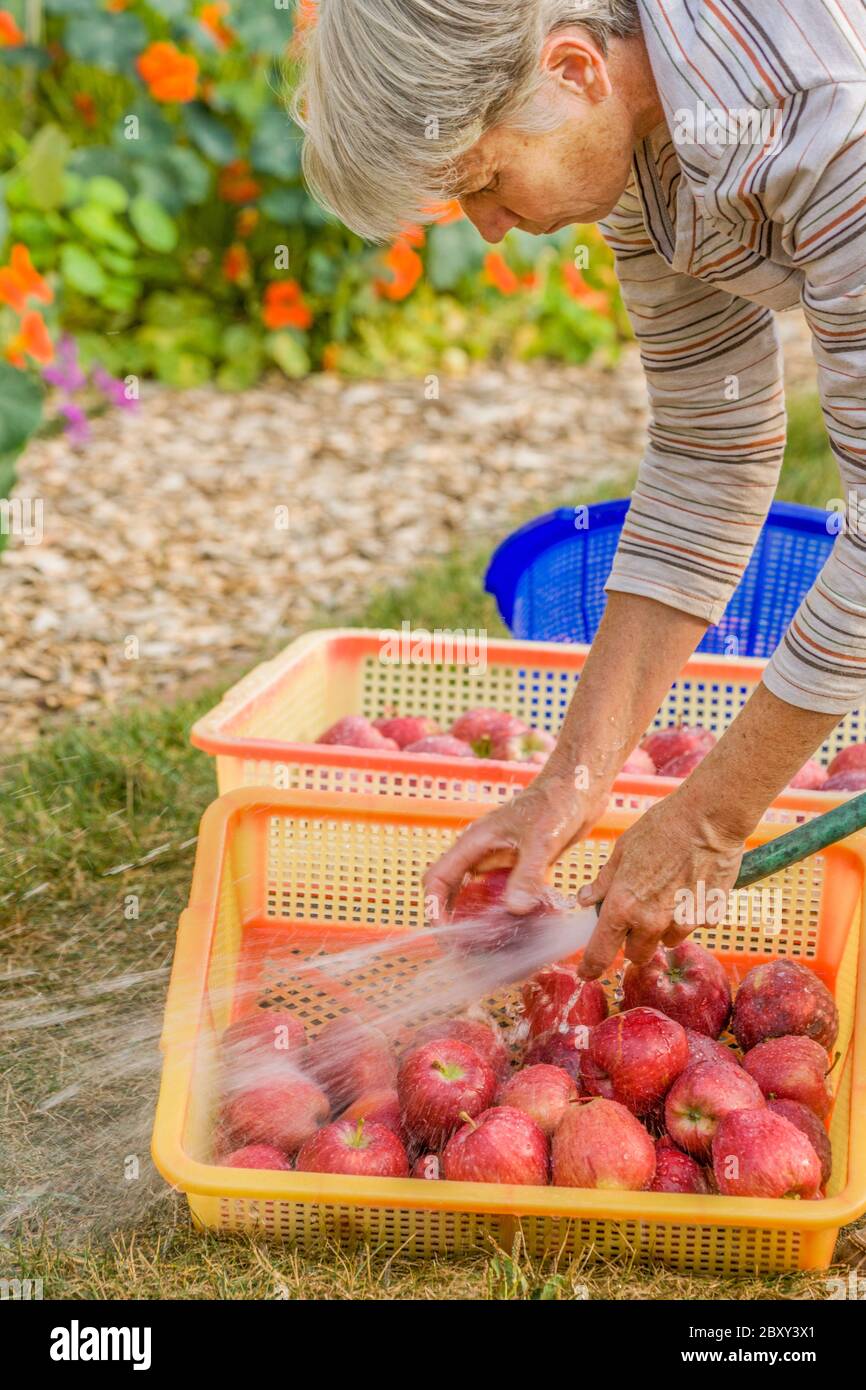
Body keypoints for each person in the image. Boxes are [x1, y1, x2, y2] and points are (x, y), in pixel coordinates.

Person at [295, 0, 866, 978]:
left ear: (572, 67)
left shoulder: (822, 116)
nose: (483, 229)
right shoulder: (640, 141)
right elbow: (707, 448)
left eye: (482, 180)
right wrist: (569, 784)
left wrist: (712, 817)